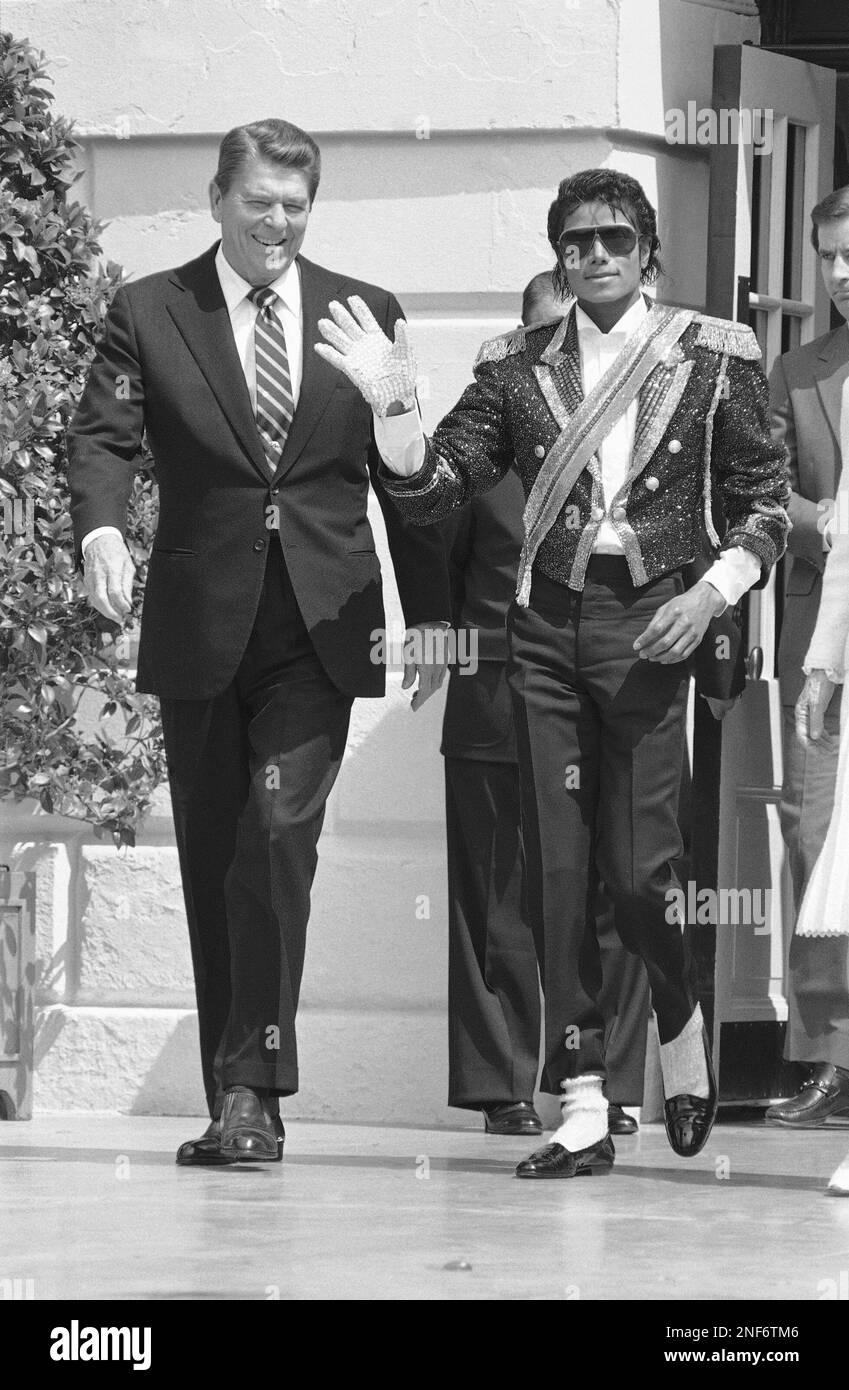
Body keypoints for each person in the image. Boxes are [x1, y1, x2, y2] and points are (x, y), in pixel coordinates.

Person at [315, 168, 790, 1178]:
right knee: (561, 868)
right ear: (559, 256)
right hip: (544, 624)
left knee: (640, 874)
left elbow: (764, 502)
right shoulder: (516, 365)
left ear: (647, 250)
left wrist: (710, 594)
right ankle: (580, 1097)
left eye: (616, 237)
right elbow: (444, 485)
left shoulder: (715, 354)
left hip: (655, 621)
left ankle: (681, 1010)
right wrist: (395, 418)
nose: (598, 256)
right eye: (577, 241)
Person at [67, 119, 450, 1166]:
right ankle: (239, 1094)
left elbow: (408, 479)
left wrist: (432, 611)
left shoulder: (366, 312)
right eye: (260, 201)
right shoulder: (151, 308)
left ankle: (251, 1087)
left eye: (296, 203)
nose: (279, 221)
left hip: (321, 621)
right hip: (201, 621)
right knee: (215, 856)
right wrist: (101, 526)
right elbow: (100, 436)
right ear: (217, 198)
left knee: (278, 832)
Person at [442, 270, 649, 1139]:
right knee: (497, 898)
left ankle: (607, 1086)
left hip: (619, 686)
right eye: (551, 332)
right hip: (494, 689)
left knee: (619, 888)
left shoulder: (648, 440)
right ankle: (499, 1084)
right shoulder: (486, 443)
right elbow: (431, 549)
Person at [766, 187, 849, 1132]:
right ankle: (829, 1055)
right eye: (824, 257)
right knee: (815, 838)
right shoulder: (797, 368)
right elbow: (760, 492)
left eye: (847, 255)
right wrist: (825, 522)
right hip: (822, 647)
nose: (834, 276)